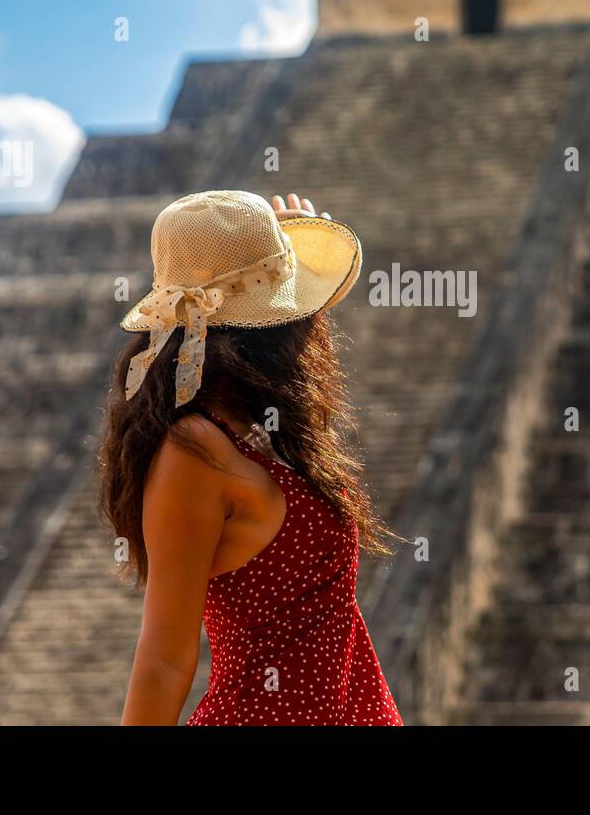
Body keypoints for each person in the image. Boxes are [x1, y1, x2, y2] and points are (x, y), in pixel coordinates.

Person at [99, 190, 402, 726]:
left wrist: (285, 245)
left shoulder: (268, 433)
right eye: (291, 306)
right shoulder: (194, 451)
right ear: (267, 329)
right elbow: (165, 658)